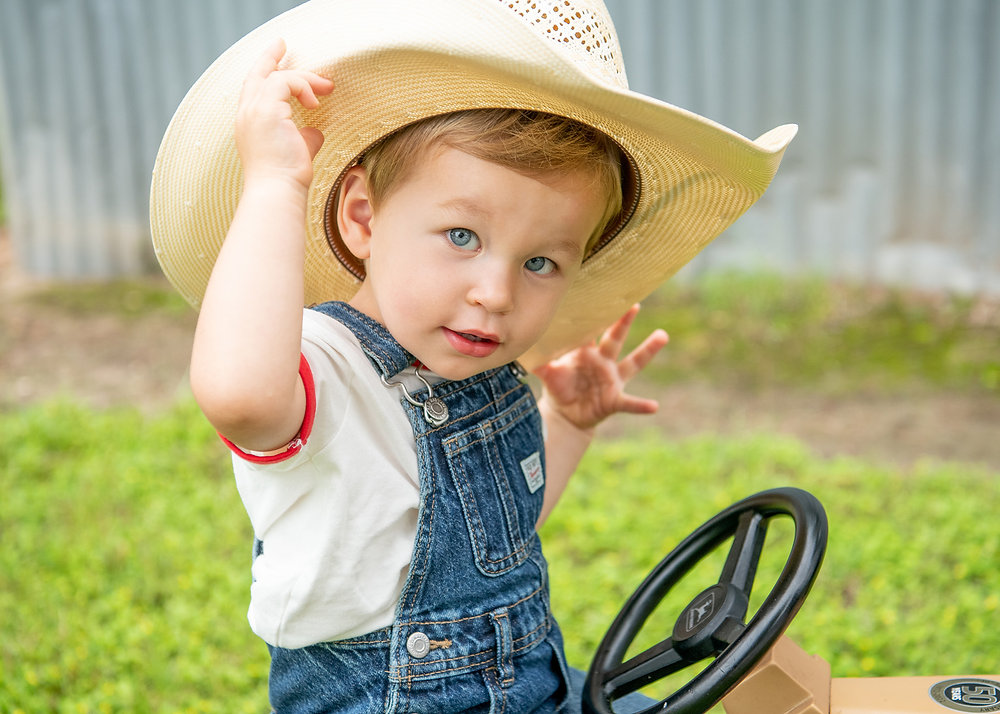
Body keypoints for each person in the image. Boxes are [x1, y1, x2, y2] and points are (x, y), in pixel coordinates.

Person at [149, 1, 795, 711]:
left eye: (542, 262)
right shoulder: (323, 370)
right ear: (362, 217)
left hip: (536, 691)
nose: (495, 294)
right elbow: (238, 393)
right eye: (461, 236)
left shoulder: (488, 375)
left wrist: (568, 424)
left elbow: (496, 536)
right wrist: (276, 184)